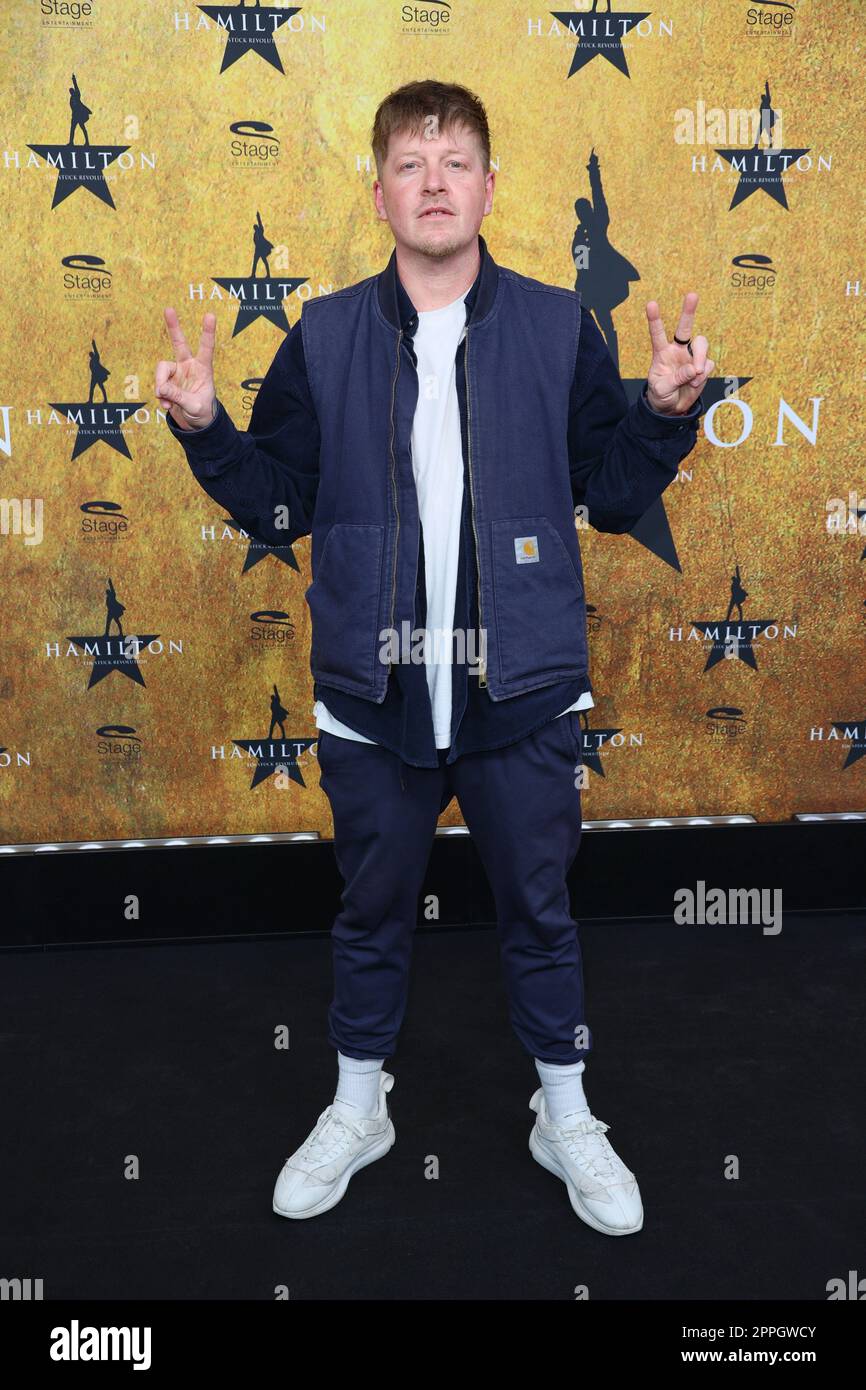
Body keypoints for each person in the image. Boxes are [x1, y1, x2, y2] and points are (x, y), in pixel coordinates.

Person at [156, 79, 713, 1235]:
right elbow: (278, 508)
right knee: (368, 913)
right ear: (379, 194)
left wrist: (661, 414)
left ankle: (562, 1115)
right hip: (376, 689)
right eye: (410, 164)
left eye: (455, 161)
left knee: (540, 909)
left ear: (489, 186)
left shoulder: (562, 325)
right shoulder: (320, 334)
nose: (434, 183)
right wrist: (210, 430)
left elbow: (609, 504)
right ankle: (360, 1108)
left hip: (519, 690)